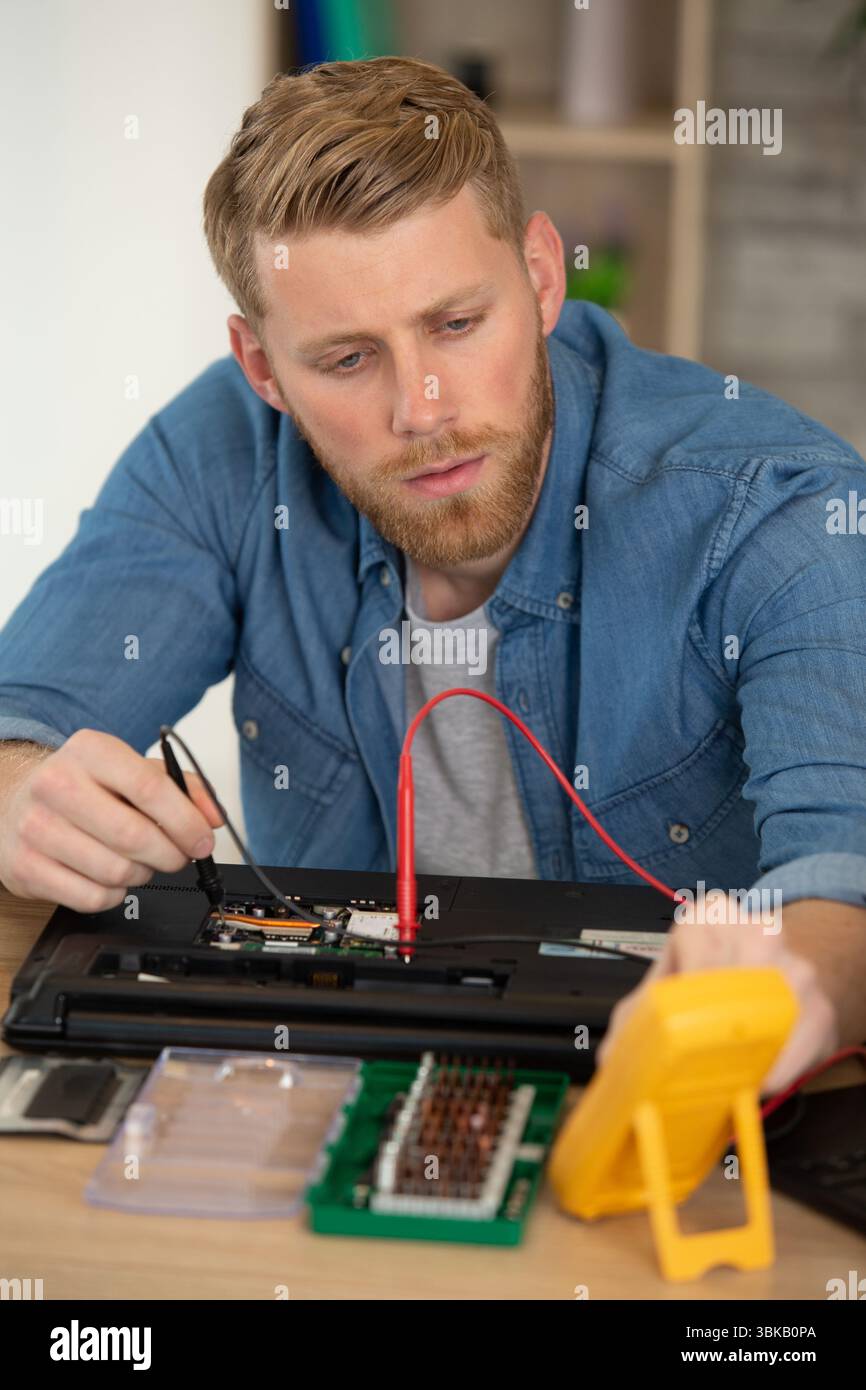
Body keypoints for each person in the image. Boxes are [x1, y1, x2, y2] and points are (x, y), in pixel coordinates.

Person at [0, 58, 864, 1091]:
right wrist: (17, 793)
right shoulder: (219, 456)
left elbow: (848, 883)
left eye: (456, 324)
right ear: (263, 368)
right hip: (329, 1096)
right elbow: (26, 719)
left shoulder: (775, 504)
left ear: (541, 276)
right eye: (346, 360)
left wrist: (787, 993)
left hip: (664, 1114)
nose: (422, 407)